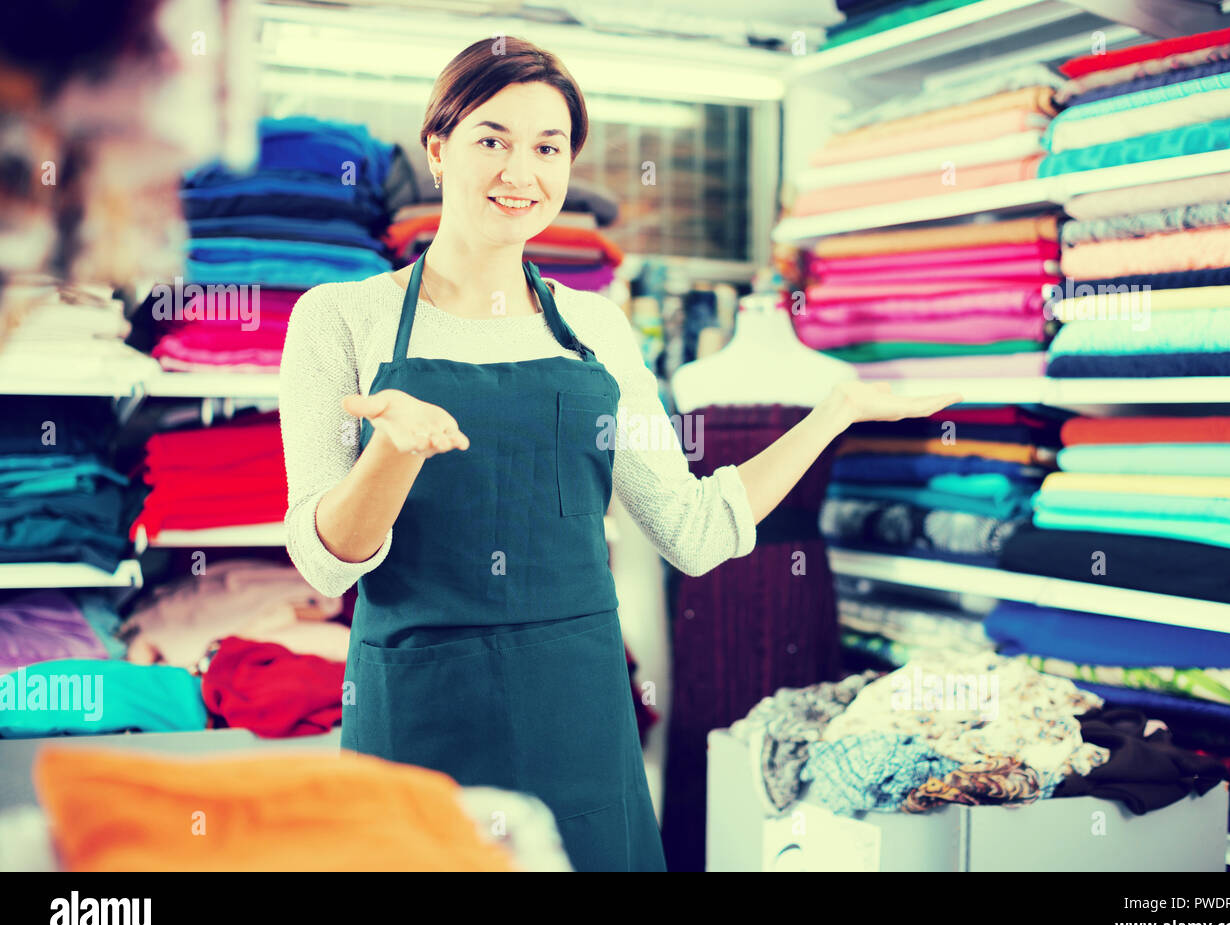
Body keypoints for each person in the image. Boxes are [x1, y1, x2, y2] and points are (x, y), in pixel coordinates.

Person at [278, 35, 962, 872]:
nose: (518, 171)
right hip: (417, 719)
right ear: (437, 146)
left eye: (547, 147)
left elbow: (694, 527)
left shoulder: (597, 329)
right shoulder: (340, 319)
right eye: (490, 138)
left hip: (580, 725)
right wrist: (392, 451)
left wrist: (840, 409)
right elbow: (322, 562)